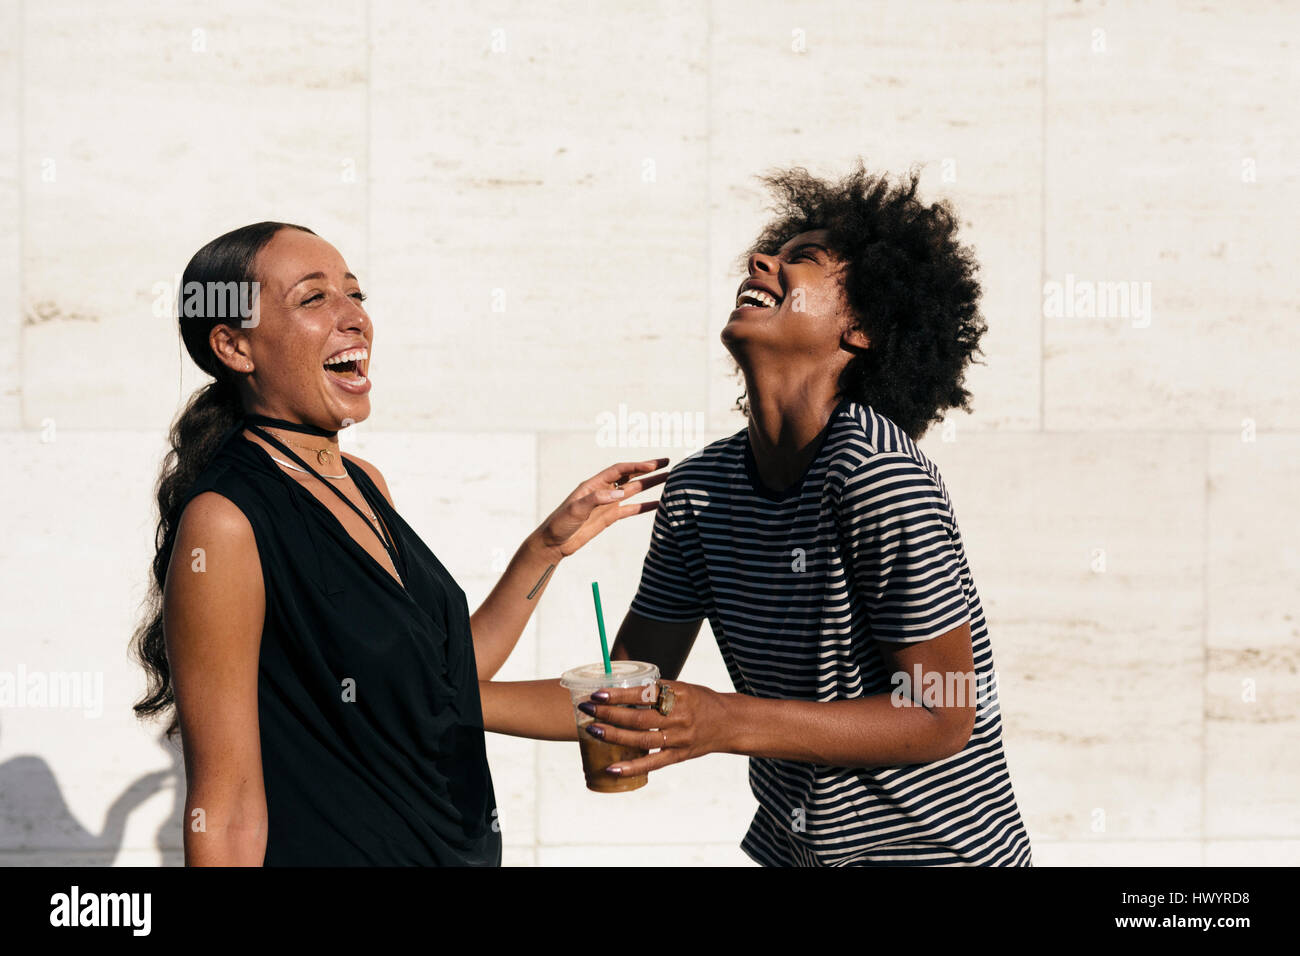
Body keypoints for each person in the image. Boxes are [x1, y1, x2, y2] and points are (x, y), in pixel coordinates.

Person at [483, 162, 1033, 866]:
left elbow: (942, 714)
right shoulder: (701, 490)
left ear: (861, 326)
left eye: (802, 259)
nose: (761, 260)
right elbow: (626, 684)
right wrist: (443, 700)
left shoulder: (878, 474)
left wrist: (723, 720)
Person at [131, 221, 666, 866]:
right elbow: (227, 805)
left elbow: (446, 682)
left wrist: (546, 548)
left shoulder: (364, 483)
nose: (352, 316)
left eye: (355, 294)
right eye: (313, 298)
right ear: (235, 347)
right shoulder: (226, 520)